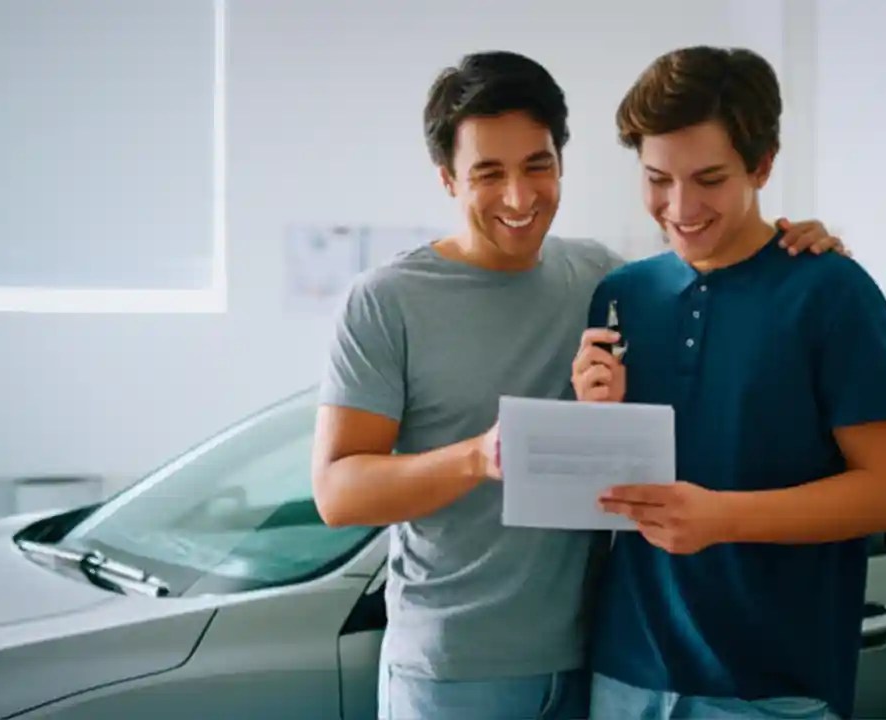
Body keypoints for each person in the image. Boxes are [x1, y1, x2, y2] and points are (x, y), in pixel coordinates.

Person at [311, 50, 845, 720]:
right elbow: (337, 492)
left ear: (562, 162)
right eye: (489, 173)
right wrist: (479, 457)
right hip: (452, 671)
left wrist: (802, 242)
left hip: (593, 664)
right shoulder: (385, 300)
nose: (519, 196)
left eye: (537, 165)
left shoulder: (603, 280)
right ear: (448, 178)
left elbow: (712, 264)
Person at [571, 46, 886, 720]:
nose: (680, 207)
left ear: (762, 165)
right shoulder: (620, 296)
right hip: (624, 676)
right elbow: (607, 498)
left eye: (709, 178)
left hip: (771, 688)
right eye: (656, 179)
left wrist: (724, 517)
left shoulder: (832, 293)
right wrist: (595, 417)